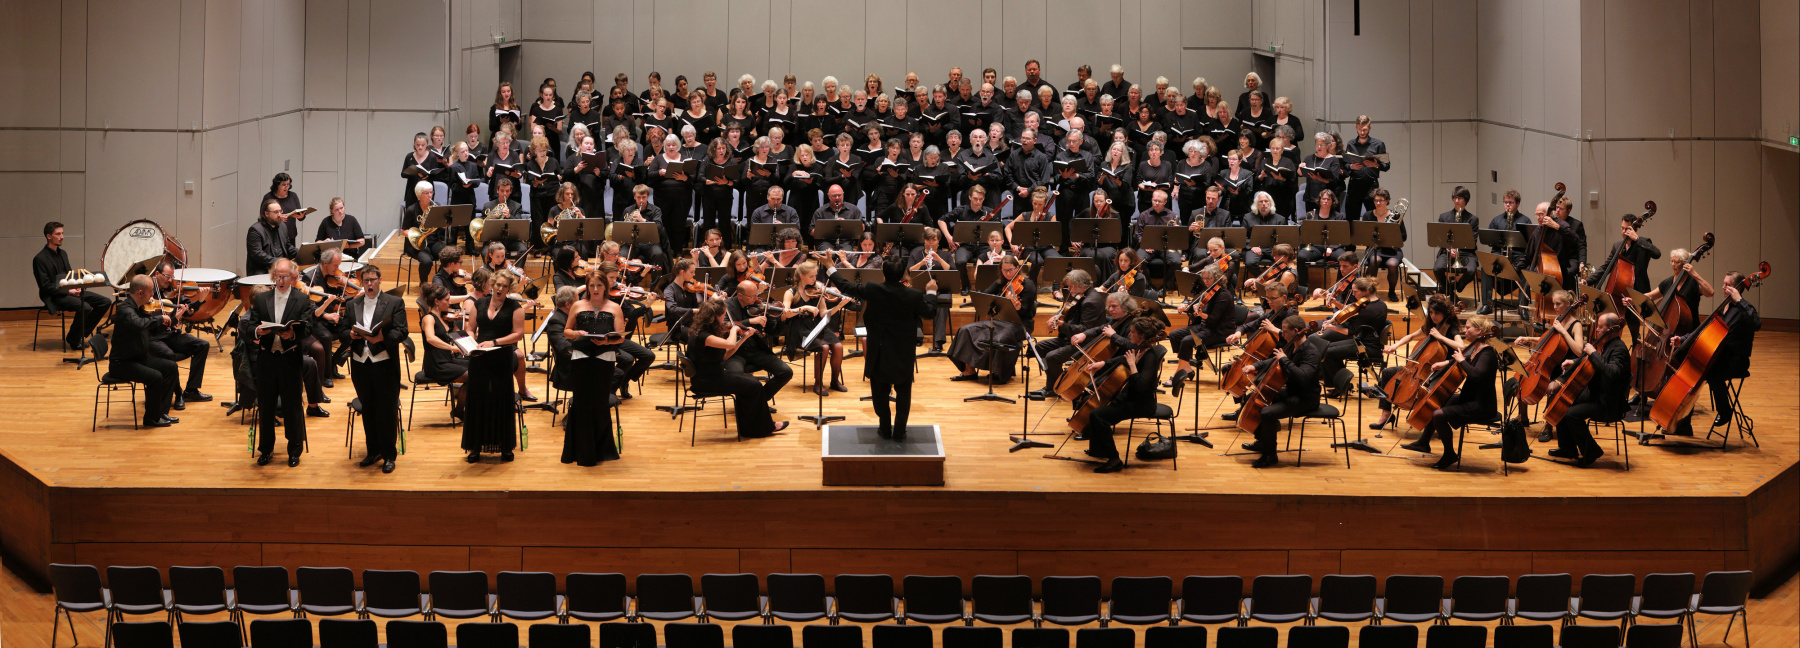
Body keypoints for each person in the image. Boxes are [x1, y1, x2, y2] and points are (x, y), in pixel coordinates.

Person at [822, 252, 939, 438]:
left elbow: (845, 286)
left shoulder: (872, 289)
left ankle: (885, 427)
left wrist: (830, 266)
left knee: (879, 392)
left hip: (879, 350)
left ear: (883, 273)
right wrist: (931, 292)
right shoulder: (914, 295)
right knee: (903, 393)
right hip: (903, 352)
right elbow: (930, 313)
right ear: (903, 276)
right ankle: (900, 431)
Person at [1396, 315, 1499, 469]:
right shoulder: (1477, 348)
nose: (1464, 331)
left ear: (1479, 330)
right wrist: (1444, 363)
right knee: (1438, 400)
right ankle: (1424, 442)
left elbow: (1476, 374)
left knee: (1439, 414)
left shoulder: (1488, 353)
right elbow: (1462, 359)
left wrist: (1461, 361)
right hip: (1470, 398)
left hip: (1481, 405)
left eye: (1468, 327)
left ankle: (1449, 454)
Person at [1664, 271, 1761, 435]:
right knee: (1687, 362)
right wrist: (1683, 339)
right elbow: (1703, 330)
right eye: (1724, 284)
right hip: (1721, 356)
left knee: (1711, 372)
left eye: (1728, 285)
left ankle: (1724, 411)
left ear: (1737, 288)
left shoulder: (1743, 308)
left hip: (1736, 360)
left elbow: (1757, 323)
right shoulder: (1724, 307)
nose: (1724, 287)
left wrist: (1740, 300)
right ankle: (1681, 422)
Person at [691, 297, 791, 438]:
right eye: (723, 315)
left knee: (750, 385)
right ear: (715, 317)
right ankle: (765, 427)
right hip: (707, 380)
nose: (724, 319)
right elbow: (729, 344)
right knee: (754, 385)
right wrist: (734, 330)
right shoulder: (704, 336)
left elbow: (725, 355)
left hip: (713, 375)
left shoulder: (704, 331)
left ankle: (749, 429)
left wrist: (743, 338)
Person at [1077, 317, 1167, 473]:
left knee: (1097, 415)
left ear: (1141, 335)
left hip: (1142, 404)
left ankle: (1114, 459)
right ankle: (1098, 451)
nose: (1129, 334)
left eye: (1132, 332)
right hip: (1130, 397)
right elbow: (1122, 358)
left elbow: (1140, 386)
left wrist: (1132, 364)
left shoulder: (1150, 356)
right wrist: (1102, 363)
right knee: (1097, 410)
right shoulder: (1140, 347)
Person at [562, 265, 626, 466]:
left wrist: (607, 341)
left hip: (604, 358)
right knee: (581, 403)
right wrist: (576, 334)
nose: (596, 289)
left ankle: (601, 450)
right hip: (580, 356)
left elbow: (620, 338)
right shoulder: (577, 305)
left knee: (599, 404)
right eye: (592, 285)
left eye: (599, 285)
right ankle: (580, 451)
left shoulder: (615, 308)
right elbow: (567, 331)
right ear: (587, 287)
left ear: (605, 287)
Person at [345, 265, 407, 473]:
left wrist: (383, 338)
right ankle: (373, 451)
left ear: (380, 280)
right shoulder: (352, 303)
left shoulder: (394, 302)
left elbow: (402, 331)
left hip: (384, 363)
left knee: (387, 410)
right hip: (360, 363)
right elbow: (344, 328)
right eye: (366, 280)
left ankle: (389, 455)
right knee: (368, 409)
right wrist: (350, 335)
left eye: (373, 279)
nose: (369, 284)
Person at [1367, 294, 1459, 430]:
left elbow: (1462, 347)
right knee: (1387, 373)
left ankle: (1428, 420)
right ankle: (1386, 414)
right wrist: (1395, 346)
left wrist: (1441, 337)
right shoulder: (1431, 325)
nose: (1433, 316)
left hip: (1440, 370)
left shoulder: (1451, 329)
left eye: (1437, 313)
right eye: (1431, 313)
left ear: (1445, 313)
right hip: (1419, 369)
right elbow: (1411, 336)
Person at [252, 259, 312, 467]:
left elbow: (308, 327)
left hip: (290, 359)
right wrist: (257, 331)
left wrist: (293, 333)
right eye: (278, 276)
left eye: (285, 276)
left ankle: (294, 450)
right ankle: (265, 449)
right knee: (266, 407)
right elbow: (249, 324)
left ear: (292, 277)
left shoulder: (302, 300)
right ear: (273, 276)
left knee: (292, 406)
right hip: (267, 359)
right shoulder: (261, 299)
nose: (281, 280)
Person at [1242, 315, 1324, 468]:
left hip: (1306, 398)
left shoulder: (1311, 353)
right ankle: (1262, 441)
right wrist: (1255, 366)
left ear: (1296, 331)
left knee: (1267, 413)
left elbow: (1302, 377)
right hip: (1292, 391)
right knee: (1256, 398)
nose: (1282, 334)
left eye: (1285, 331)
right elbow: (1275, 358)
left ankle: (1270, 456)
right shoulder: (1292, 343)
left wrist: (1284, 360)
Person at [1549, 313, 1630, 467]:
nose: (1597, 330)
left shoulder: (1620, 349)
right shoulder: (1607, 344)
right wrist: (1573, 362)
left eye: (1600, 327)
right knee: (1563, 398)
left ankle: (1591, 451)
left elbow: (1610, 372)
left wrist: (1593, 352)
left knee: (1571, 414)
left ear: (1611, 329)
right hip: (1597, 394)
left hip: (1608, 402)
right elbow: (1592, 361)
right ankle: (1567, 449)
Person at [462, 271, 525, 462]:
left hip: (502, 356)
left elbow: (518, 334)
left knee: (501, 397)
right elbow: (470, 328)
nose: (500, 288)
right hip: (479, 356)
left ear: (509, 289)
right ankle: (475, 446)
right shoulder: (478, 304)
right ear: (491, 284)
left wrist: (495, 342)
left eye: (504, 286)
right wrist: (472, 341)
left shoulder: (515, 307)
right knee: (477, 398)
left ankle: (505, 446)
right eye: (497, 284)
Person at [949, 254, 1036, 384]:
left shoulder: (1028, 285)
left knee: (999, 339)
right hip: (1000, 321)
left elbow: (1025, 310)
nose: (1007, 273)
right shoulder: (1000, 282)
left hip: (1020, 323)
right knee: (965, 330)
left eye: (1010, 270)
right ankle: (969, 371)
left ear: (1018, 268)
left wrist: (1015, 305)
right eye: (1004, 270)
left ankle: (998, 372)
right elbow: (985, 295)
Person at [110, 276, 181, 429]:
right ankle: (151, 418)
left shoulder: (140, 309)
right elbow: (138, 324)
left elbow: (152, 331)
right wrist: (159, 318)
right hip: (122, 363)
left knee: (170, 367)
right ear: (141, 293)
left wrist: (171, 319)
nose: (152, 297)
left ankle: (161, 413)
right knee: (155, 377)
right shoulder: (125, 309)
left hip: (138, 358)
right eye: (150, 292)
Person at [1026, 270, 1108, 400]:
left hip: (1085, 342)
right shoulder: (1080, 294)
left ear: (1081, 285)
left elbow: (1084, 329)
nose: (1068, 289)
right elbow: (1065, 309)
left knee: (1052, 357)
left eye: (1071, 286)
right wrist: (1053, 318)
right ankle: (1053, 384)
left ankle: (1059, 386)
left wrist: (1061, 325)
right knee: (1040, 347)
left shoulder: (1091, 301)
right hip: (1070, 337)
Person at [34, 221, 114, 351]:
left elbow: (70, 276)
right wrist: (69, 292)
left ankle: (78, 335)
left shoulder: (63, 253)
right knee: (85, 307)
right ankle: (74, 339)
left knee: (105, 302)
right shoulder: (40, 259)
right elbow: (45, 286)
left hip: (70, 291)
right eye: (58, 234)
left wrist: (77, 287)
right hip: (55, 295)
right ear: (49, 236)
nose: (62, 237)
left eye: (62, 233)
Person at [147, 261, 213, 409]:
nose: (170, 280)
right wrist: (173, 318)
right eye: (167, 276)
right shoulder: (148, 291)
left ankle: (192, 390)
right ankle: (178, 393)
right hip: (156, 337)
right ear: (156, 274)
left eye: (172, 277)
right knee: (169, 355)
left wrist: (200, 301)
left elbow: (188, 309)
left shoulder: (173, 291)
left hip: (171, 335)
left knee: (202, 345)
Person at [782, 262, 850, 394]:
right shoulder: (790, 292)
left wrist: (839, 306)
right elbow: (786, 314)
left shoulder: (818, 291)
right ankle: (818, 383)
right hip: (800, 329)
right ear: (801, 276)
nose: (815, 280)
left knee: (838, 346)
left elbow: (823, 313)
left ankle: (834, 381)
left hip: (818, 325)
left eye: (815, 276)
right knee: (823, 347)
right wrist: (805, 308)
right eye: (811, 276)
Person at [724, 280, 797, 397]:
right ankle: (746, 407)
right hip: (735, 353)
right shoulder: (727, 306)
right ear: (740, 295)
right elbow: (725, 326)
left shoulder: (760, 306)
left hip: (757, 350)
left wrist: (783, 319)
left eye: (756, 295)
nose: (755, 298)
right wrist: (749, 321)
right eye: (752, 296)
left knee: (786, 372)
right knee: (735, 376)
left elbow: (774, 331)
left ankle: (760, 400)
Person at [1168, 265, 1236, 386]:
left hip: (1220, 331)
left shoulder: (1224, 296)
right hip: (1205, 326)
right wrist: (1185, 307)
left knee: (1187, 341)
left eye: (1208, 278)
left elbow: (1214, 319)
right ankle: (1187, 368)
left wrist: (1201, 314)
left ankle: (1178, 373)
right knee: (1174, 335)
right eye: (1204, 278)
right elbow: (1193, 306)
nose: (1205, 281)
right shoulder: (1208, 291)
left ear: (1218, 278)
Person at [417, 283, 471, 416]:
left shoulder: (444, 317)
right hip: (436, 364)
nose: (450, 302)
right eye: (447, 300)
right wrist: (452, 347)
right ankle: (459, 411)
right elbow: (430, 338)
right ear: (436, 301)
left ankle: (463, 408)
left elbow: (457, 335)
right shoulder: (429, 318)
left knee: (478, 367)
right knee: (473, 376)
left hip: (447, 359)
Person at [1433, 186, 1479, 298]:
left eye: (1460, 198)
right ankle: (1451, 294)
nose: (1456, 200)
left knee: (1471, 270)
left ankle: (1455, 287)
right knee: (1437, 268)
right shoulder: (1444, 217)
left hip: (1466, 253)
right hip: (1447, 252)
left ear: (1466, 200)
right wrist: (1449, 249)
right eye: (1454, 198)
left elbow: (1472, 240)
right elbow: (1440, 238)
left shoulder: (1473, 219)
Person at [1364, 189, 1408, 300]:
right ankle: (1369, 290)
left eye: (1381, 200)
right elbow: (1363, 235)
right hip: (1374, 249)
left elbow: (1404, 236)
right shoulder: (1368, 215)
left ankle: (1392, 291)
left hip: (1393, 250)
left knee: (1392, 264)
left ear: (1387, 201)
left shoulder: (1396, 216)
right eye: (1376, 200)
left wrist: (1391, 237)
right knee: (1375, 260)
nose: (1378, 203)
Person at [401, 182, 447, 285]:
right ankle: (423, 283)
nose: (430, 195)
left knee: (448, 255)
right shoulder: (411, 209)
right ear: (419, 195)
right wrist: (415, 236)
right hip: (416, 245)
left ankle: (439, 280)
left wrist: (444, 222)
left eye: (431, 192)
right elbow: (403, 230)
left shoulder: (436, 206)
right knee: (427, 261)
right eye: (426, 193)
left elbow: (444, 226)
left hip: (433, 241)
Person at [1342, 116, 1389, 217]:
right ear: (1356, 127)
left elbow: (1387, 166)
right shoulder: (1351, 144)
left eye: (1365, 130)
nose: (1362, 132)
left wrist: (1377, 165)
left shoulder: (1378, 144)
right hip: (1354, 185)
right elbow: (1345, 164)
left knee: (1373, 217)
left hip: (1371, 186)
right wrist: (1351, 166)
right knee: (1351, 219)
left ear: (1369, 128)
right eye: (1360, 129)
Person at [247, 198, 298, 277]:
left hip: (281, 269)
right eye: (276, 212)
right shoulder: (255, 230)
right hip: (263, 270)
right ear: (266, 214)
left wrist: (301, 253)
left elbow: (288, 247)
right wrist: (280, 262)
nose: (279, 215)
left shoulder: (283, 226)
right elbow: (257, 254)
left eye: (280, 211)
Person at [480, 177, 528, 257]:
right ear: (497, 190)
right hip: (493, 241)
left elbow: (519, 225)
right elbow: (483, 225)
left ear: (511, 191)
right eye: (502, 191)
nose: (504, 194)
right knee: (485, 252)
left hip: (511, 240)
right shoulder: (488, 206)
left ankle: (517, 269)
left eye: (507, 191)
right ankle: (489, 270)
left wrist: (509, 216)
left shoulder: (517, 206)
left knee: (523, 250)